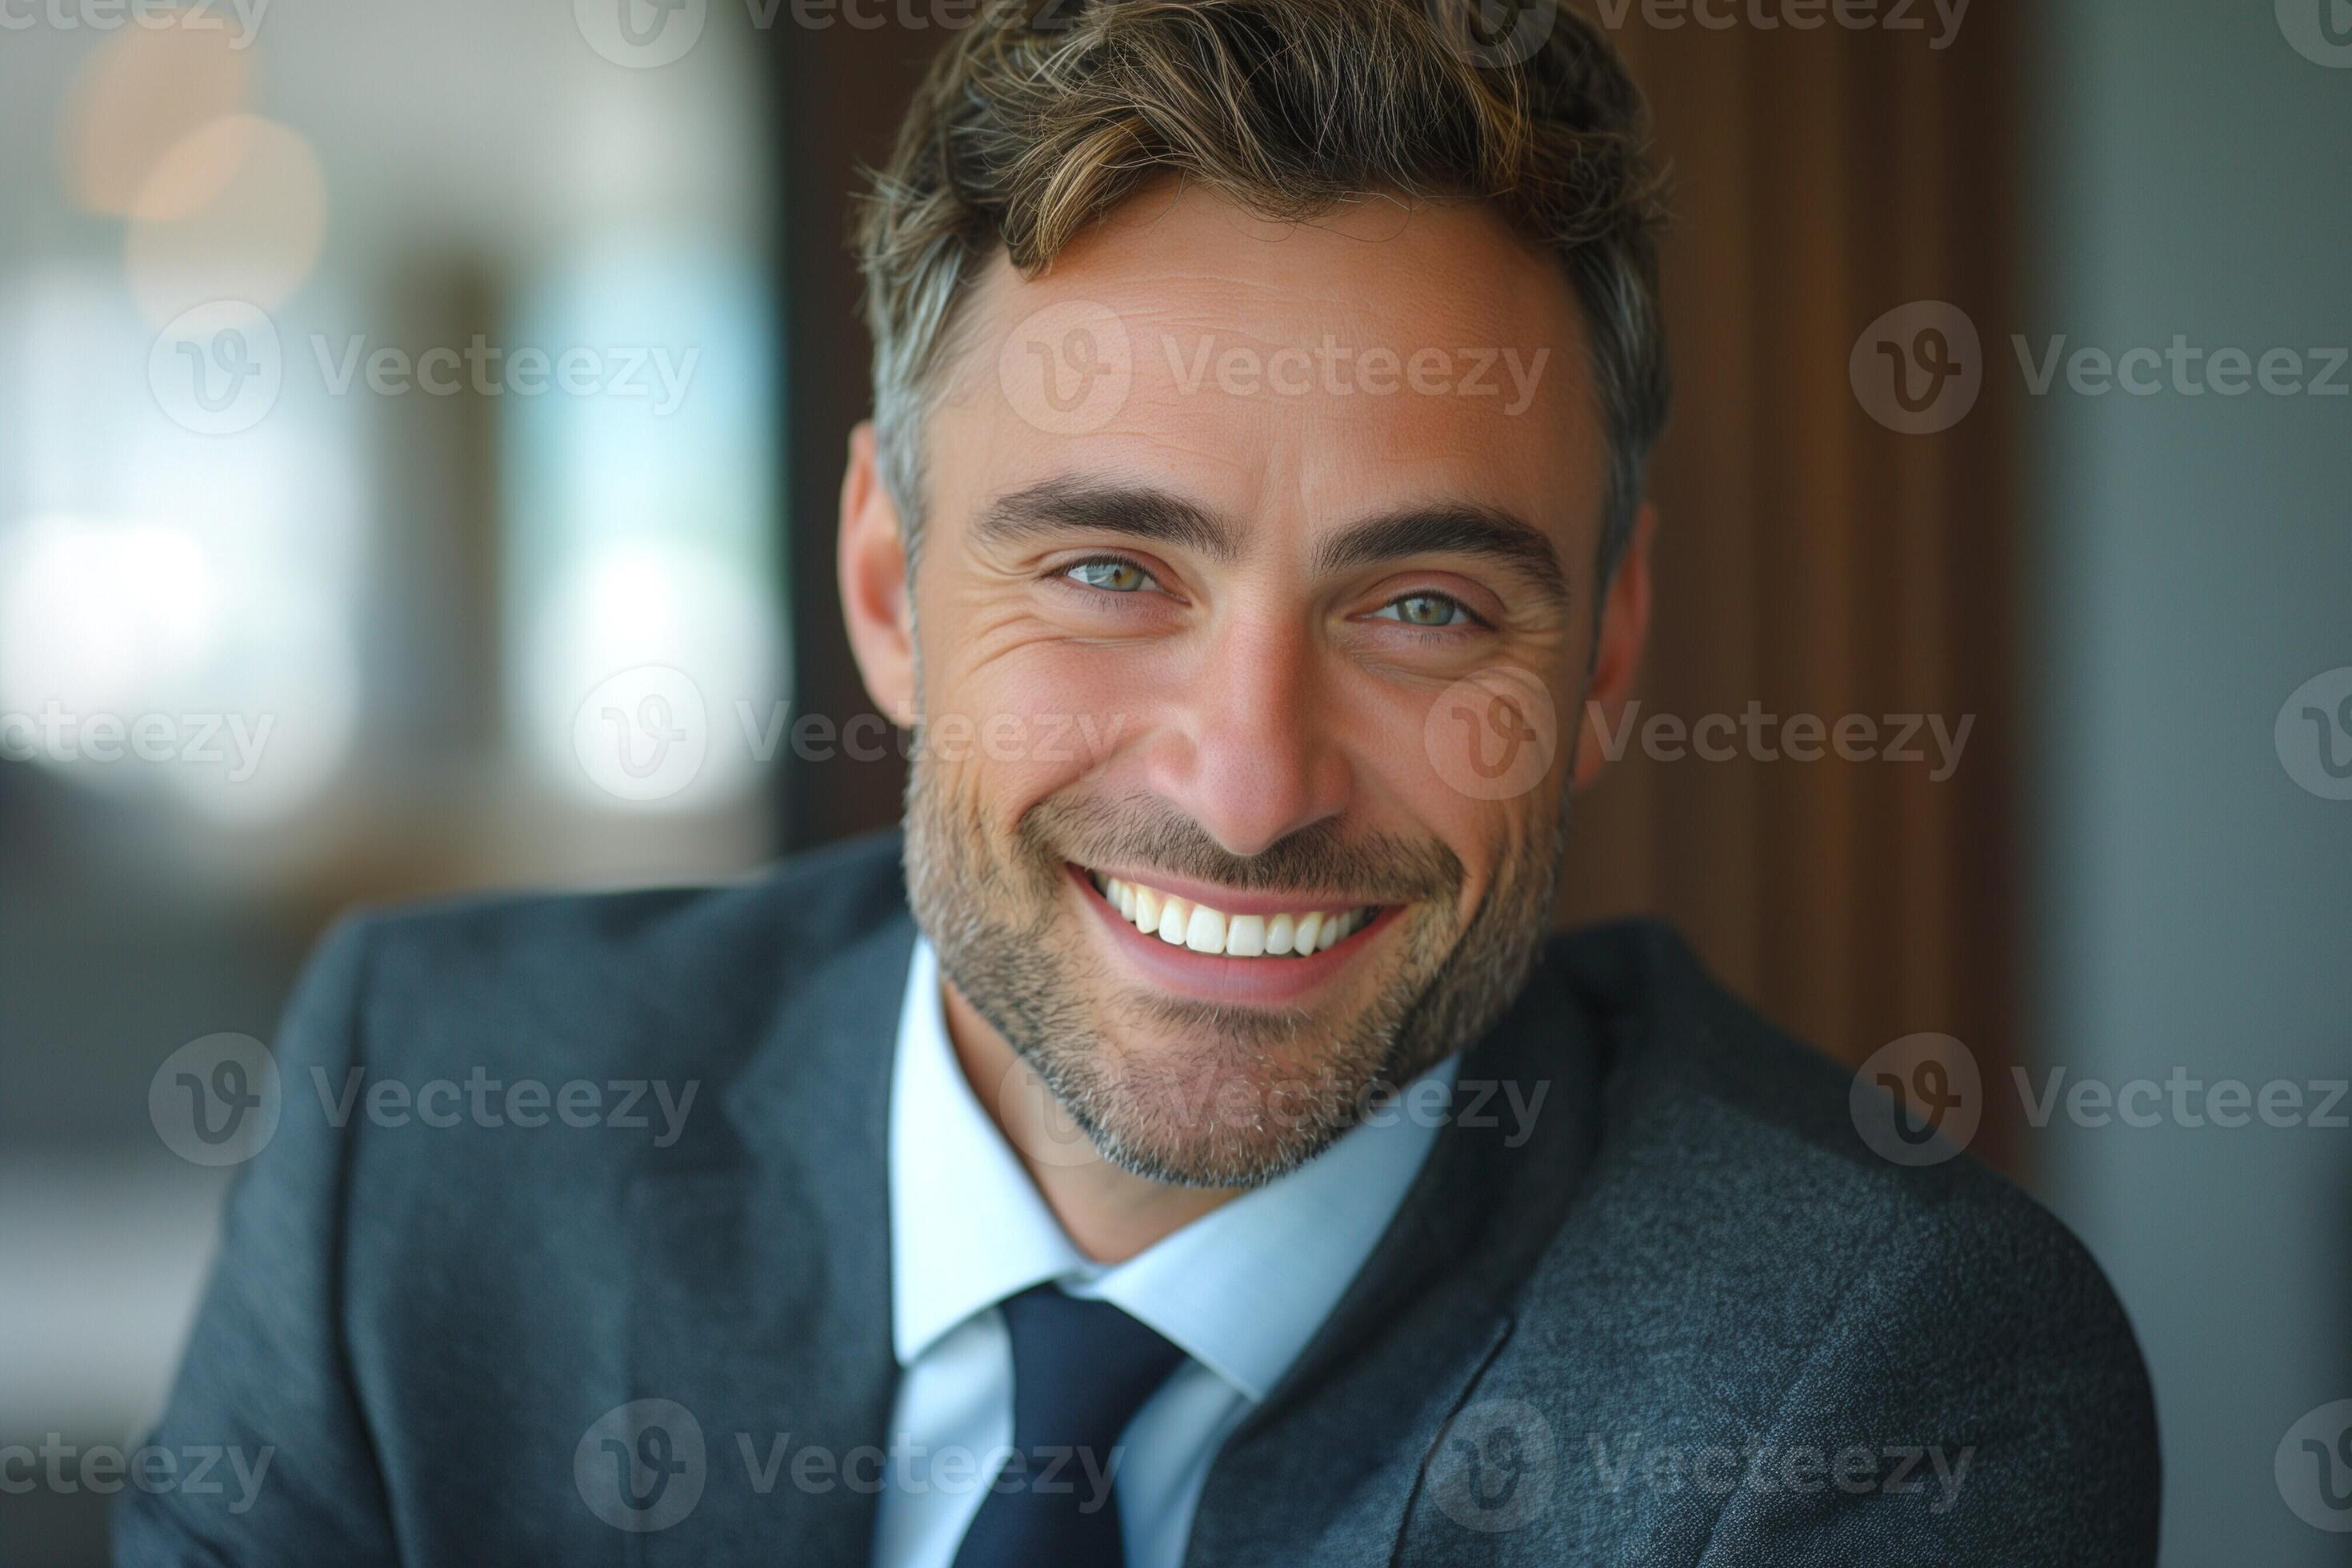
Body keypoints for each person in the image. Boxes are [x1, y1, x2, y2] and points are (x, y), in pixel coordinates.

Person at [121, 2, 2159, 1562]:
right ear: (889, 587)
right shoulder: (432, 1113)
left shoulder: (1886, 1378)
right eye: (1110, 571)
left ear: (1604, 652)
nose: (1254, 782)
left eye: (1430, 604)